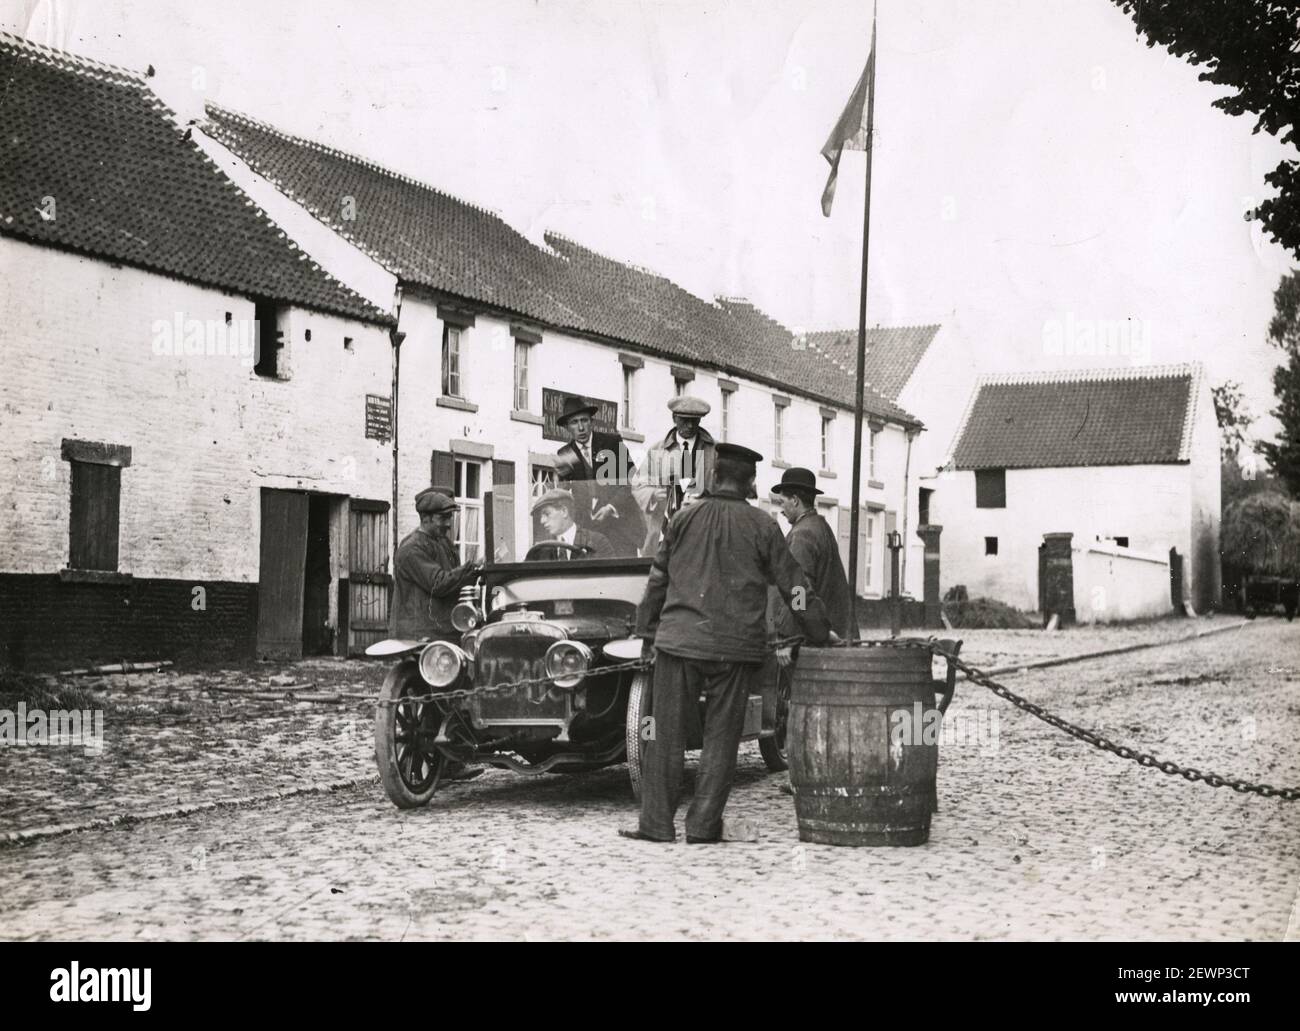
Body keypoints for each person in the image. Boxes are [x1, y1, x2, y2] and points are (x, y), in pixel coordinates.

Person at [621, 443, 831, 845]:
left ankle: (655, 825)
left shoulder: (682, 518)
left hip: (678, 642)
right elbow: (794, 587)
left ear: (713, 478)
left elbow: (658, 581)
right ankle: (702, 827)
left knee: (663, 734)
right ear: (750, 483)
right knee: (721, 739)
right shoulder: (764, 526)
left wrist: (646, 634)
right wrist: (819, 630)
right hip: (735, 650)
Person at [554, 395, 645, 556]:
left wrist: (610, 508)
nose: (581, 427)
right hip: (589, 536)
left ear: (591, 422)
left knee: (622, 577)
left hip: (621, 529)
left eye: (584, 420)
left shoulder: (612, 443)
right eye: (574, 422)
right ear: (567, 427)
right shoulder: (565, 454)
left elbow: (632, 481)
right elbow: (565, 496)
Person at [388, 486, 484, 640]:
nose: (448, 524)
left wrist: (476, 570)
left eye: (449, 518)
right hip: (420, 635)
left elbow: (454, 581)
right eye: (443, 518)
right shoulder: (412, 548)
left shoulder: (442, 543)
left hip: (440, 630)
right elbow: (438, 584)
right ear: (426, 518)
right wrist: (470, 568)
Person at [632, 395, 716, 554]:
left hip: (703, 533)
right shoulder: (657, 450)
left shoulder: (715, 451)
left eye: (695, 420)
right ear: (674, 418)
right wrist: (653, 494)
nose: (690, 425)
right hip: (664, 536)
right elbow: (638, 485)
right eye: (685, 420)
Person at [529, 488, 614, 559]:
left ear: (564, 511)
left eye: (547, 514)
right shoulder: (541, 550)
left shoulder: (598, 542)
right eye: (541, 516)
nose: (542, 521)